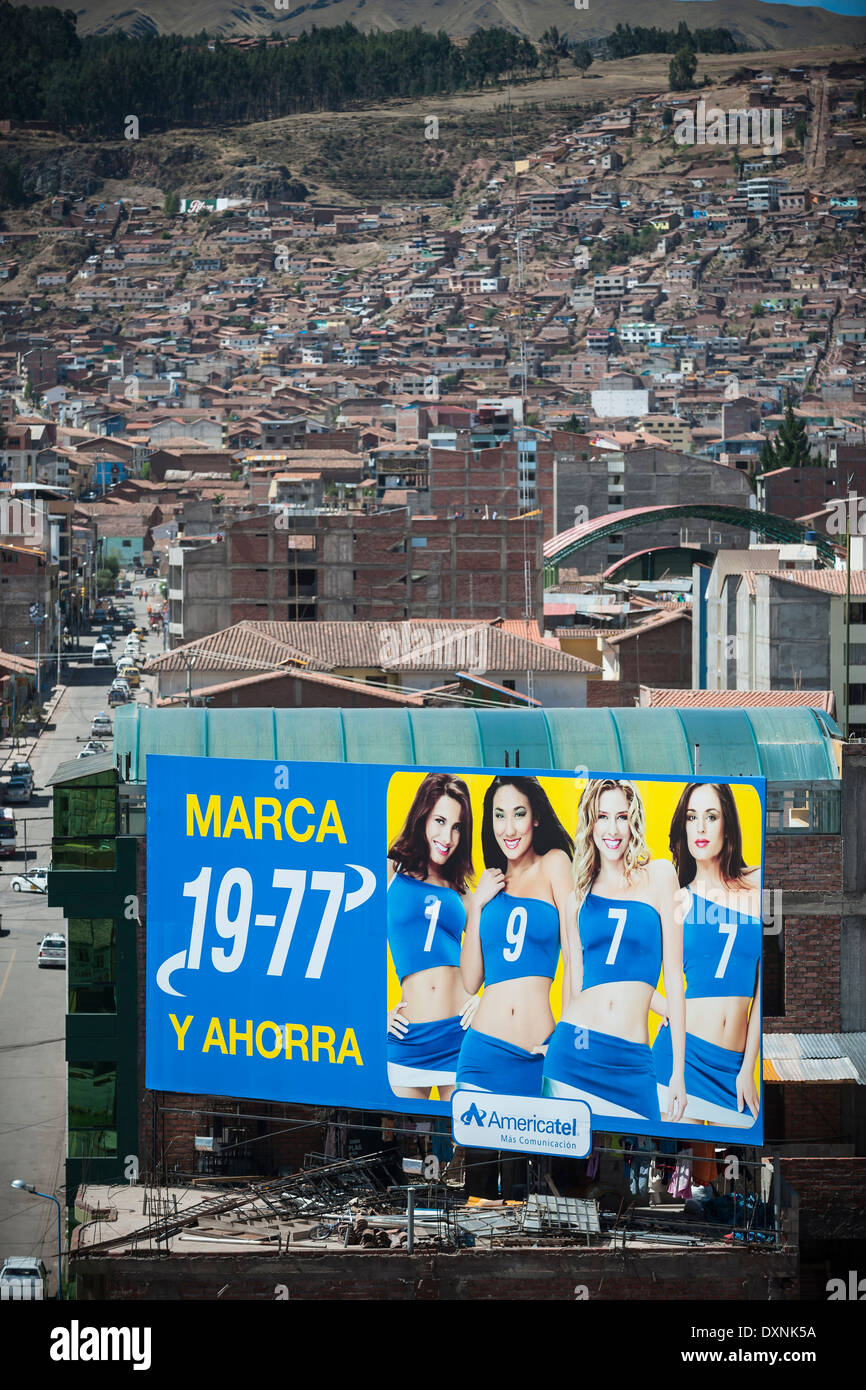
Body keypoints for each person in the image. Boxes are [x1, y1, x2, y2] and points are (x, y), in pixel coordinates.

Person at [542, 779, 686, 1125]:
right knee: (564, 1176)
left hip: (633, 1060)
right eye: (602, 817)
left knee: (637, 1164)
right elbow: (576, 985)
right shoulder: (577, 899)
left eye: (621, 817)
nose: (612, 828)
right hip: (574, 1057)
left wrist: (679, 1072)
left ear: (633, 821)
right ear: (590, 825)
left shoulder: (661, 876)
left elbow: (673, 977)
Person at [652, 782, 762, 1129]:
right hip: (680, 1060)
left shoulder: (760, 886)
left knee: (727, 1170)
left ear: (727, 825)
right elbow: (630, 973)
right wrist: (668, 1007)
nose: (700, 828)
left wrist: (748, 1068)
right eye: (691, 817)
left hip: (734, 1068)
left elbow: (765, 989)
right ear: (682, 828)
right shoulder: (677, 900)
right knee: (676, 1170)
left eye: (710, 816)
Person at [457, 776, 573, 1097]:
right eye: (499, 815)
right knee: (473, 1149)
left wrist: (564, 1038)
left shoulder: (554, 864)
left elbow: (576, 955)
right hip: (481, 1054)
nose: (508, 828)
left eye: (518, 814)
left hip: (539, 1053)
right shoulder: (491, 885)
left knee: (544, 1148)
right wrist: (478, 904)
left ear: (535, 817)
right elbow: (469, 982)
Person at [386, 774, 477, 1101]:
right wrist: (374, 1015)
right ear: (423, 816)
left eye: (456, 827)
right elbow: (347, 946)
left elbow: (499, 956)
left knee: (467, 1145)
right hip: (408, 1039)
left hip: (461, 1038)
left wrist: (483, 1001)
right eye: (440, 821)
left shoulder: (462, 891)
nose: (447, 836)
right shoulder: (389, 872)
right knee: (399, 1137)